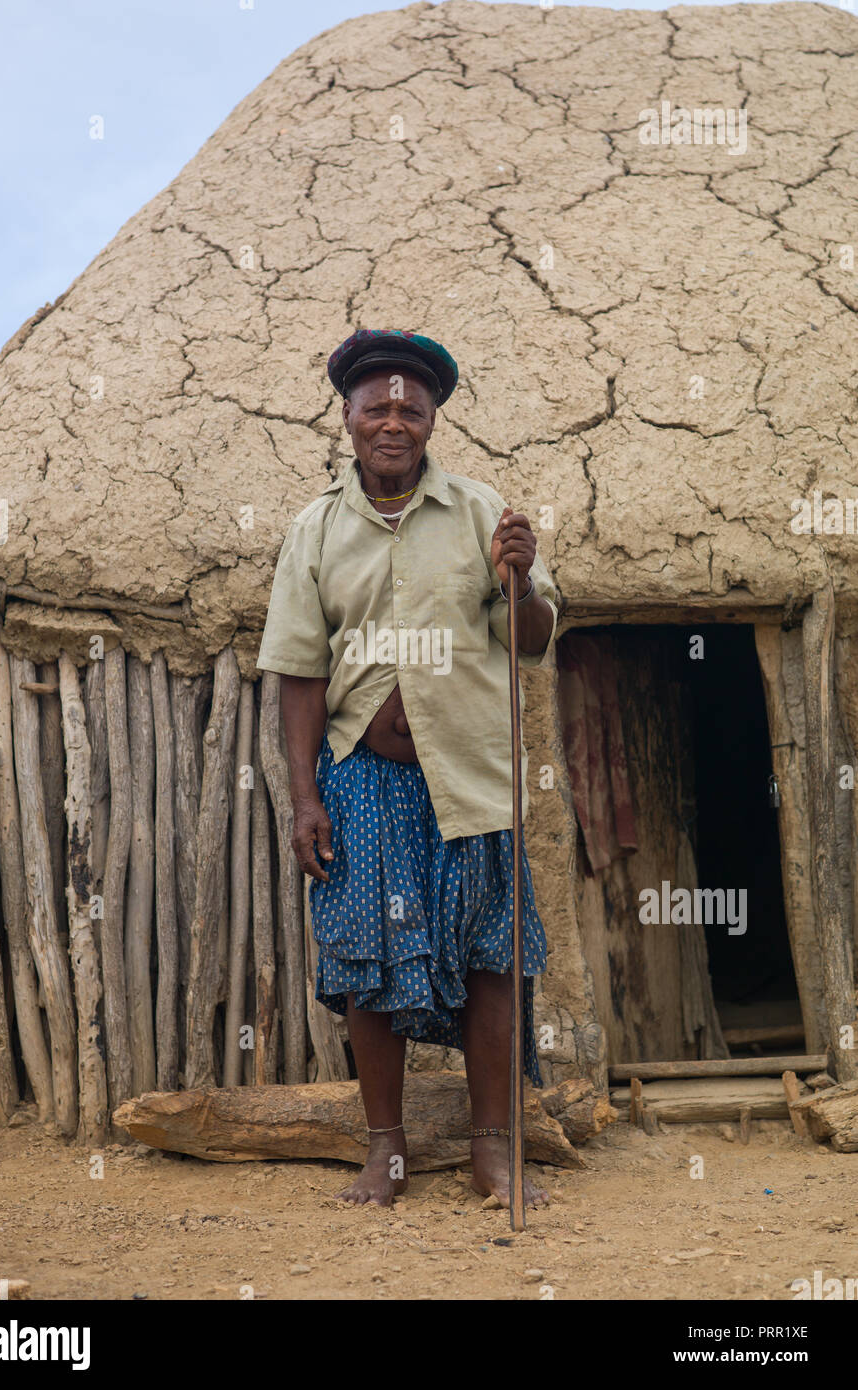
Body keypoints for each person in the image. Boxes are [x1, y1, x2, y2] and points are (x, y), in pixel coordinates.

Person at [256, 329, 560, 1209]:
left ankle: (493, 1155)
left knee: (493, 961)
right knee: (365, 964)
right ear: (347, 417)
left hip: (468, 772)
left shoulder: (479, 513)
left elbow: (533, 642)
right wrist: (305, 796)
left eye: (410, 409)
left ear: (431, 421)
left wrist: (522, 582)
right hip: (362, 777)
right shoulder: (314, 531)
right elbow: (300, 670)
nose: (393, 421)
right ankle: (383, 1155)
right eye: (375, 407)